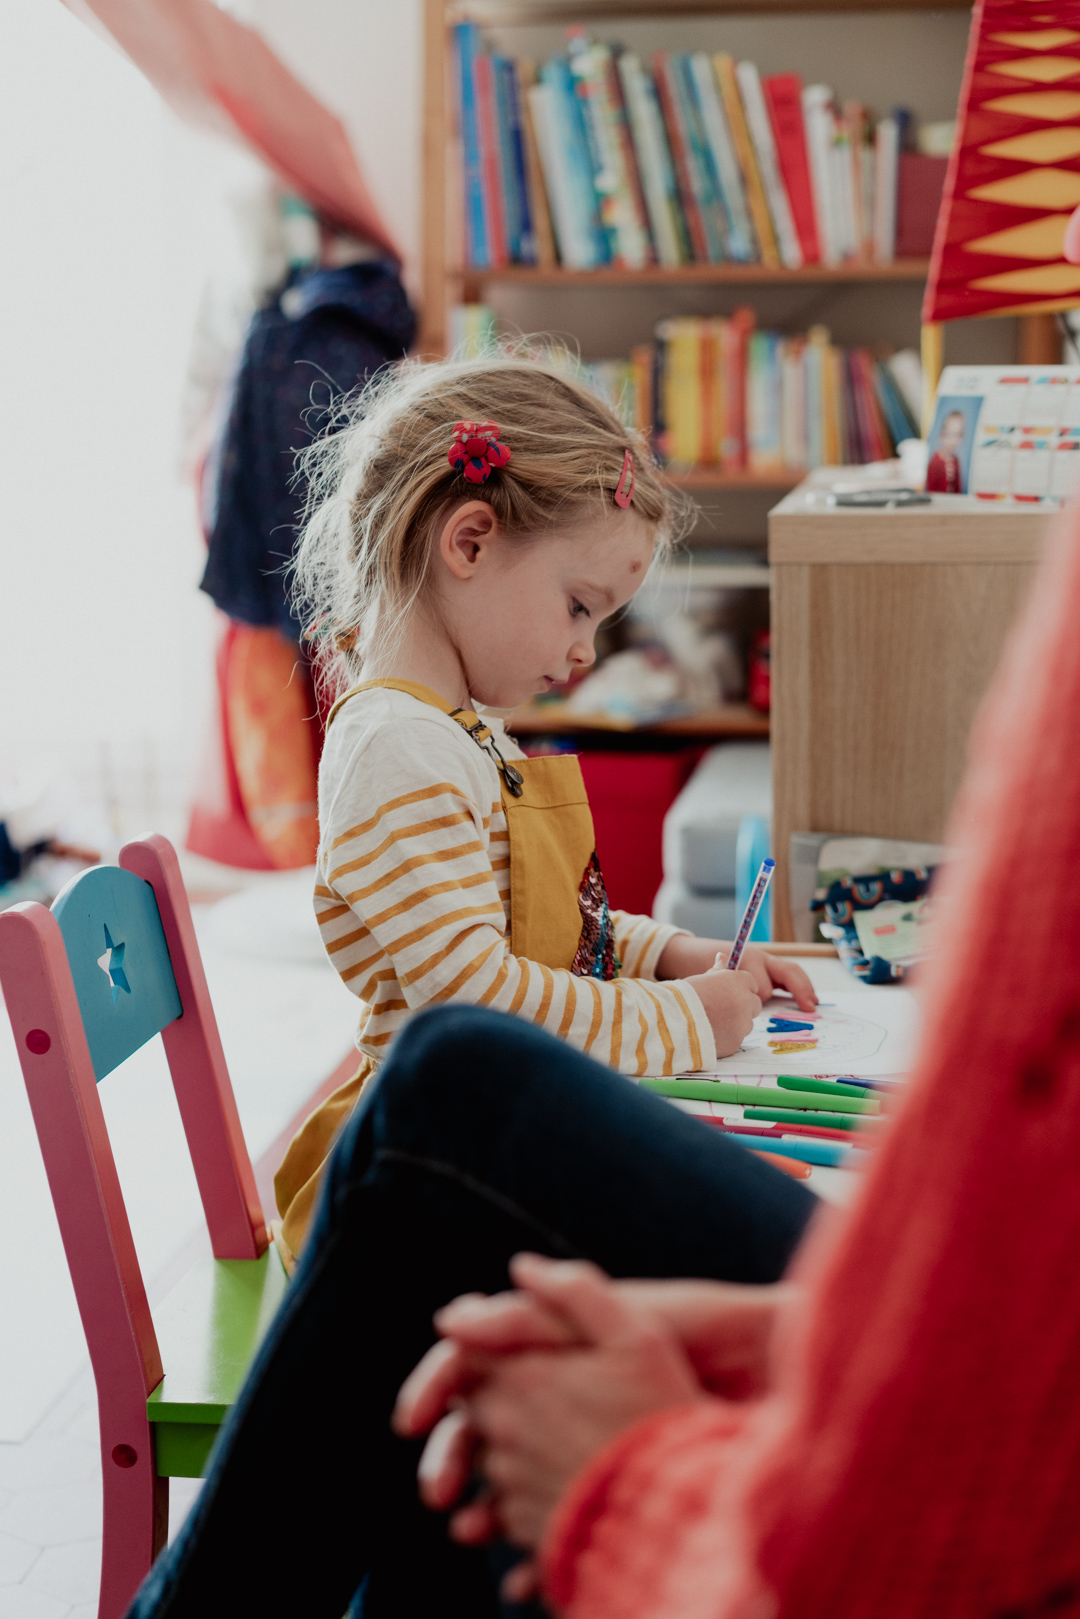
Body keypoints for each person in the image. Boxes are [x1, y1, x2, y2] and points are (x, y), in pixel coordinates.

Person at [271, 352, 816, 1261]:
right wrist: (689, 1020)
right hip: (424, 1181)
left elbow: (557, 935)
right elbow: (475, 1008)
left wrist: (671, 953)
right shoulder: (397, 750)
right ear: (471, 542)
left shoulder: (464, 730)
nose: (582, 653)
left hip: (495, 1127)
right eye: (577, 607)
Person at [925, 406, 967, 493]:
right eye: (949, 434)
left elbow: (958, 487)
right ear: (941, 436)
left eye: (958, 435)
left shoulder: (956, 460)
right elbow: (930, 488)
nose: (953, 441)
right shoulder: (936, 461)